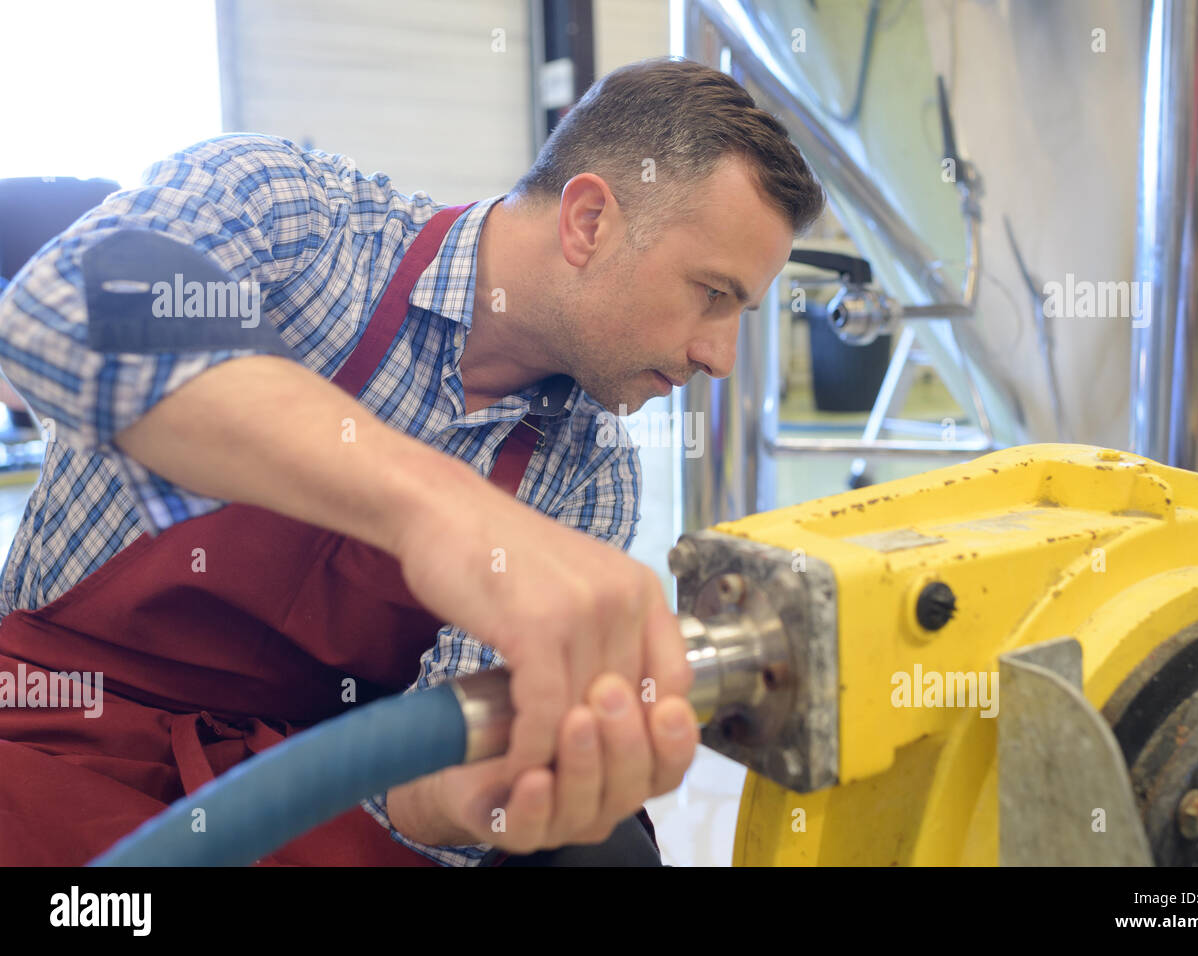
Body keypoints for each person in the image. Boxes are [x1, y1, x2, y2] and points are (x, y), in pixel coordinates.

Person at [0, 56, 823, 866]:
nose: (720, 355)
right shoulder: (298, 217)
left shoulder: (589, 473)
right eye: (712, 294)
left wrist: (463, 801)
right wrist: (441, 509)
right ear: (589, 222)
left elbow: (425, 775)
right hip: (54, 732)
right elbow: (58, 313)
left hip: (311, 774)